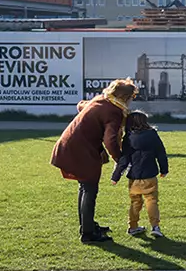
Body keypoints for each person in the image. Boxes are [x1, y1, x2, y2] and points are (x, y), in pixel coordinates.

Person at [50, 79, 138, 242]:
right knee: (89, 189)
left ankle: (87, 225)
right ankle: (88, 234)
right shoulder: (114, 111)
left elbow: (81, 105)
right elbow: (110, 140)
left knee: (85, 188)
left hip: (71, 145)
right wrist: (120, 160)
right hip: (81, 151)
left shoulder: (102, 99)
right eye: (132, 97)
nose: (132, 100)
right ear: (125, 97)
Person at [112, 110, 170, 239]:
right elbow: (161, 153)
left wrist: (116, 176)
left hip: (134, 176)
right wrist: (164, 169)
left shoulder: (128, 138)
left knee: (135, 202)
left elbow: (124, 158)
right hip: (150, 174)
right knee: (152, 201)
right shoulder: (152, 135)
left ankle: (132, 226)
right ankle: (155, 226)